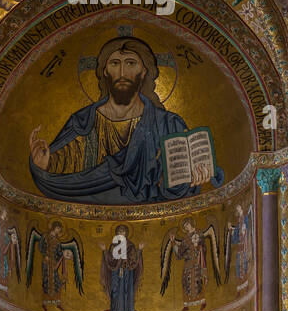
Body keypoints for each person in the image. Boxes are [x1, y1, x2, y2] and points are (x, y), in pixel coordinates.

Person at [29, 35, 205, 204]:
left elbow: (174, 189)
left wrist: (193, 178)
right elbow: (61, 175)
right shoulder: (83, 123)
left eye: (130, 63)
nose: (122, 72)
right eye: (115, 63)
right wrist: (41, 165)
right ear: (105, 71)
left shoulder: (168, 125)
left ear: (143, 71)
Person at [100, 224, 144, 311]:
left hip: (127, 271)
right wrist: (104, 251)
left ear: (126, 233)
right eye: (119, 231)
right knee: (115, 289)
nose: (121, 233)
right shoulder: (113, 245)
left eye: (123, 231)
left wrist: (139, 250)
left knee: (127, 290)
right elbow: (110, 260)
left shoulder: (130, 245)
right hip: (116, 271)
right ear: (116, 233)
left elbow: (134, 259)